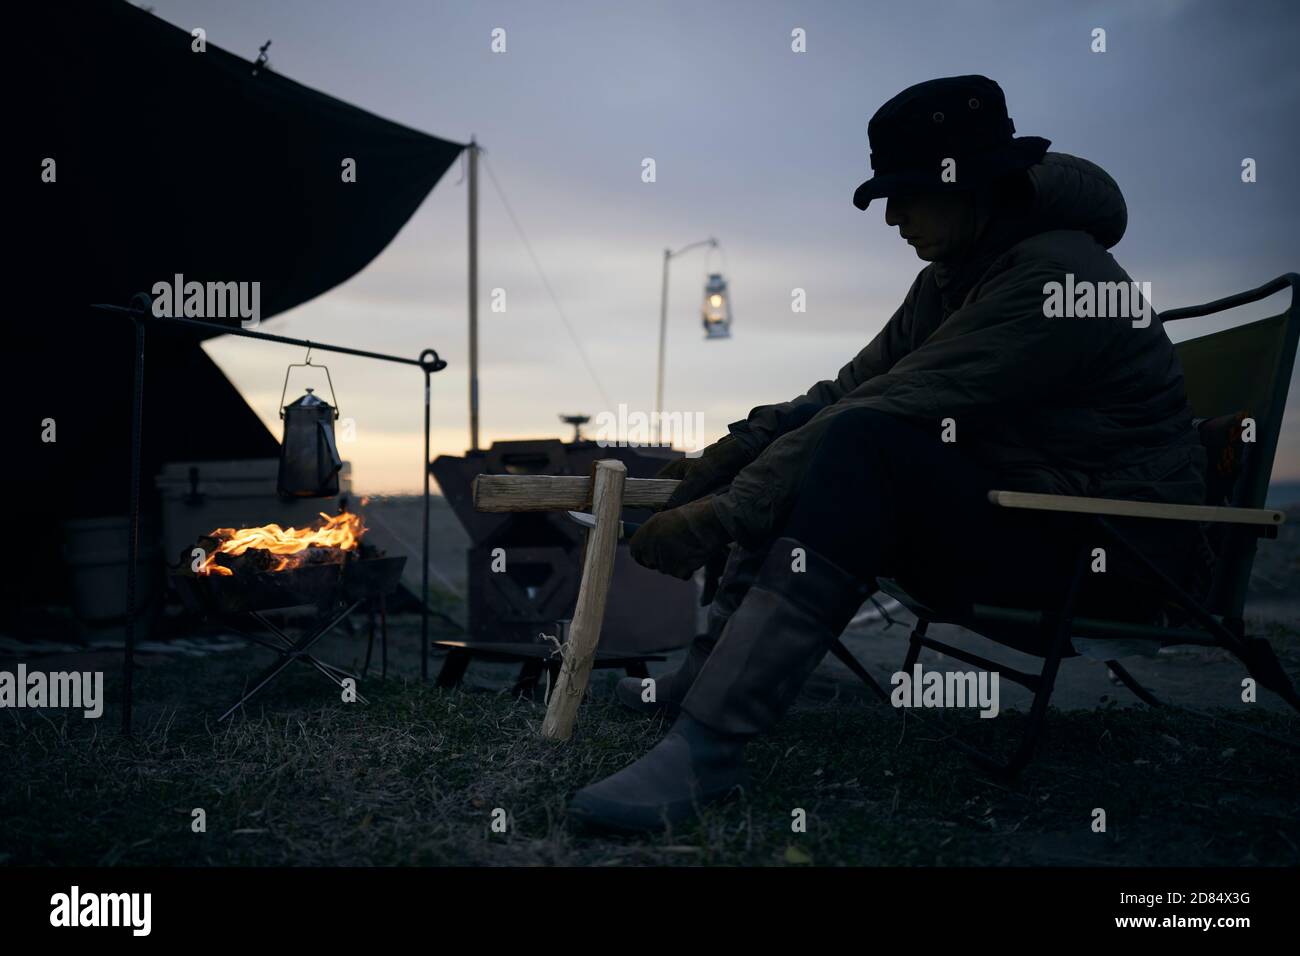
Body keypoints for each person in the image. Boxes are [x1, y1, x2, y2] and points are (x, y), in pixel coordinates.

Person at [567, 75, 1213, 832]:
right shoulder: (953, 279)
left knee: (861, 445)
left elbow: (882, 410)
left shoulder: (1058, 279)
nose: (894, 217)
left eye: (906, 195)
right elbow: (841, 390)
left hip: (1114, 555)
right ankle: (699, 686)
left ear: (971, 184)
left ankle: (707, 748)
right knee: (833, 438)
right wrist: (722, 460)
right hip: (1038, 518)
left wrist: (728, 514)